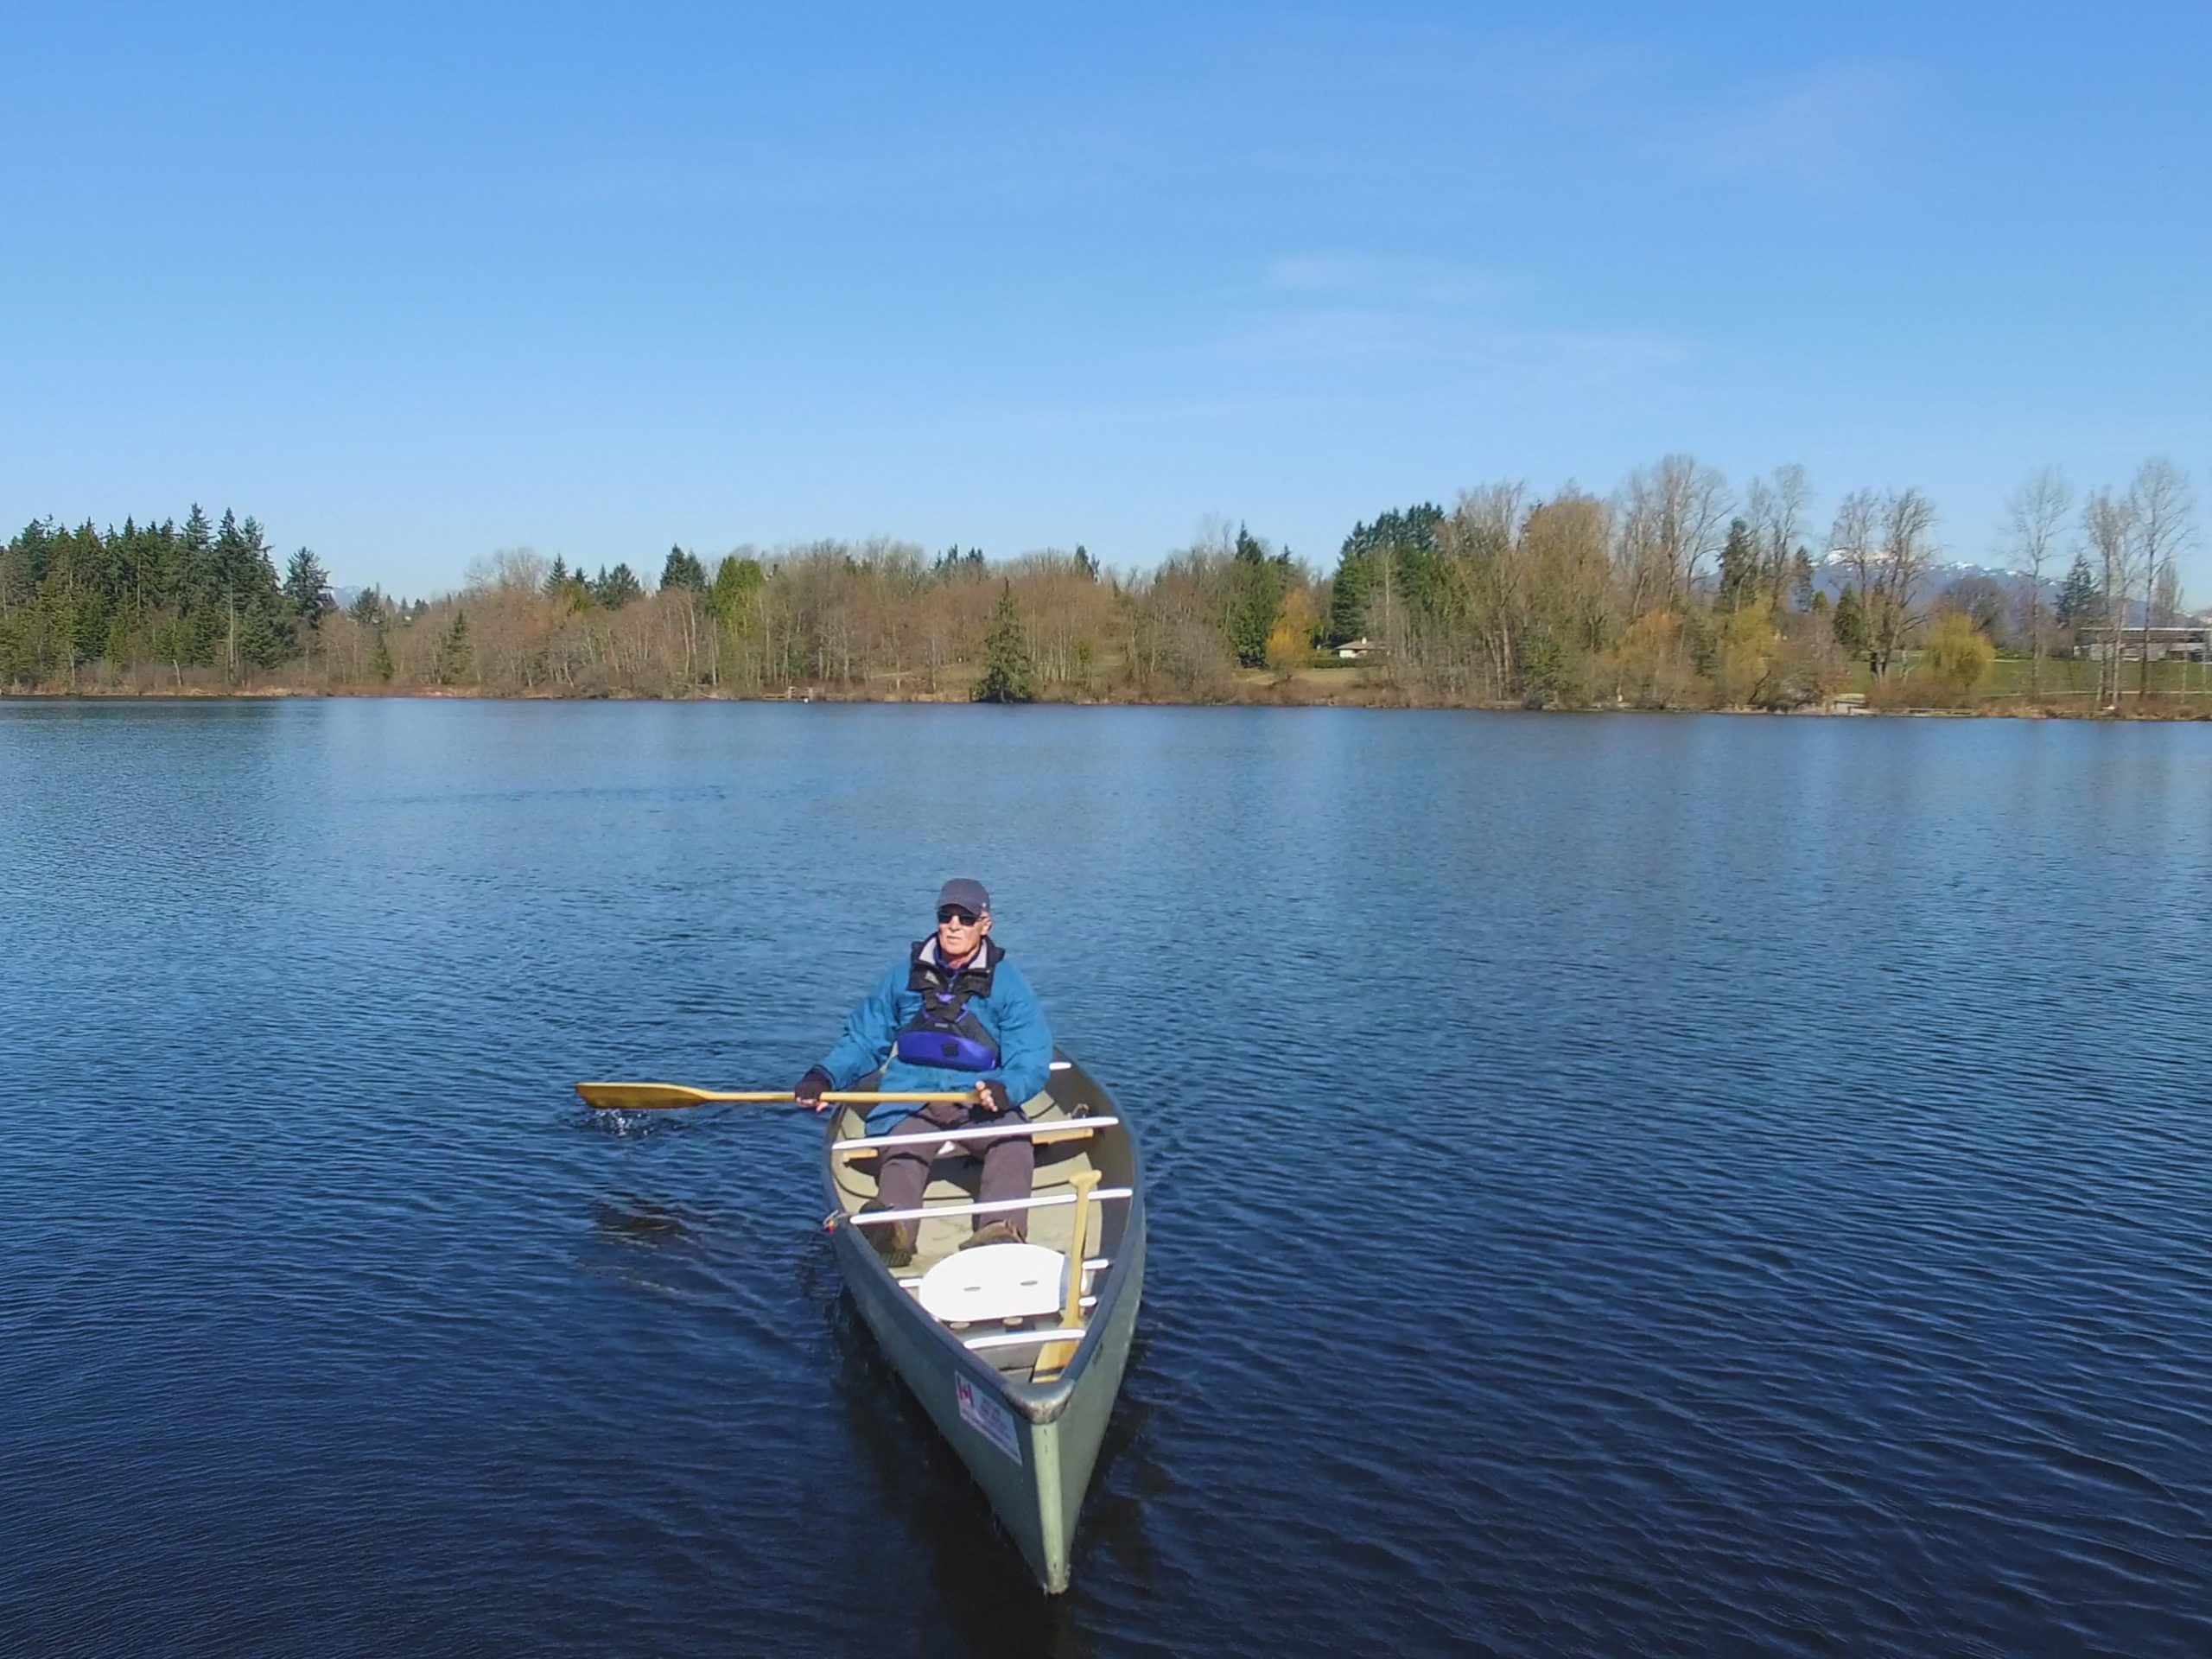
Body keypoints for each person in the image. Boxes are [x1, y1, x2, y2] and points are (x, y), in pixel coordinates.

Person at [796, 879, 1054, 1268]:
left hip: (976, 1099)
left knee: (1014, 1144)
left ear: (985, 924)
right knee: (902, 1152)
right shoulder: (903, 977)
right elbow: (866, 1040)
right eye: (945, 916)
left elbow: (1031, 1058)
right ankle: (894, 1234)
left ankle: (1000, 1232)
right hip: (910, 1098)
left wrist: (1005, 1089)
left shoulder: (1010, 986)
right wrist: (824, 1077)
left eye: (965, 918)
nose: (953, 925)